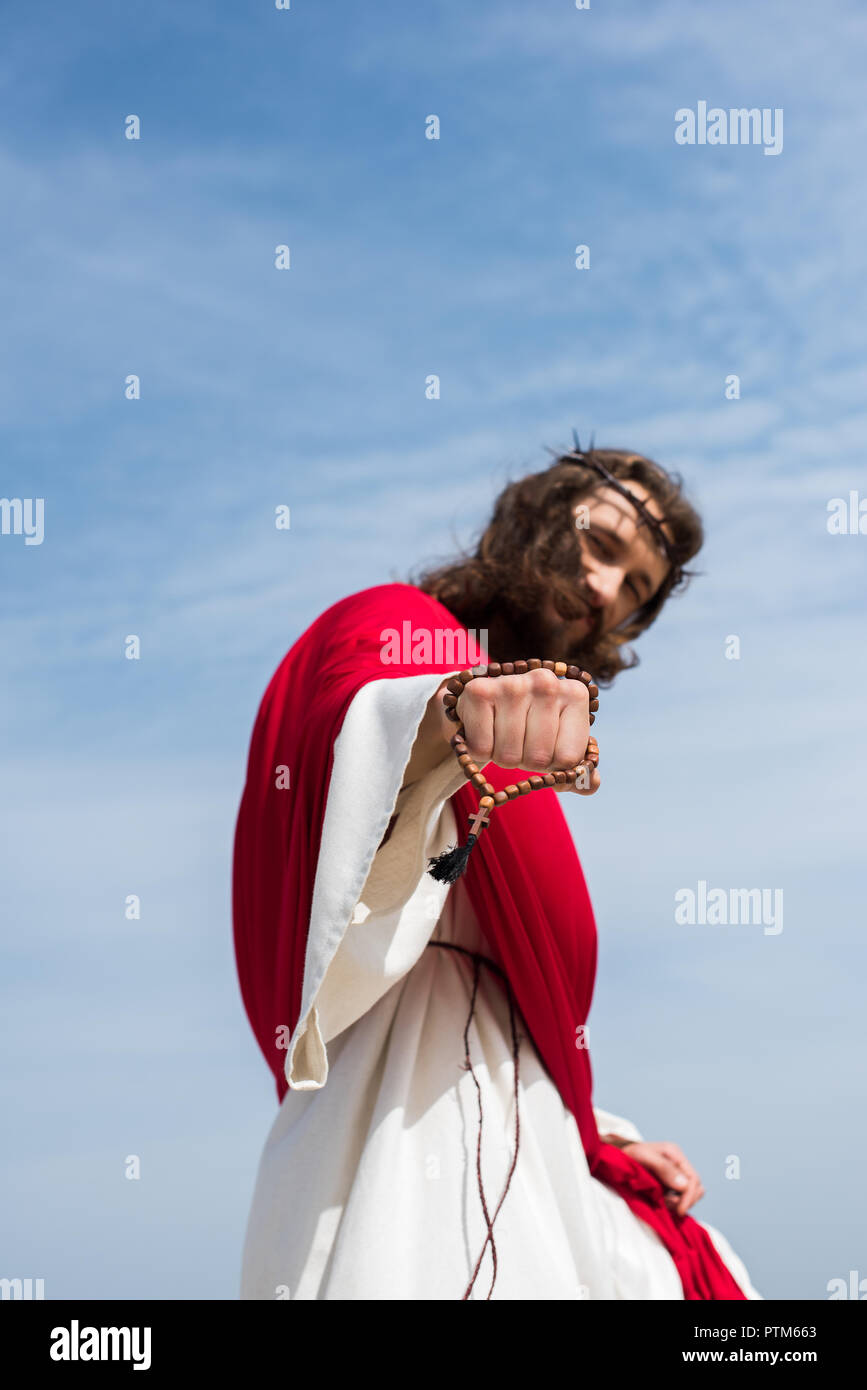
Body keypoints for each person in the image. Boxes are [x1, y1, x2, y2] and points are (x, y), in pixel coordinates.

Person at [232, 441, 763, 1300]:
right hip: (418, 1115)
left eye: (634, 590)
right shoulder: (400, 627)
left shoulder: (522, 734)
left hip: (514, 1120)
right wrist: (449, 716)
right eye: (602, 545)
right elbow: (354, 720)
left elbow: (521, 1004)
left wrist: (598, 1136)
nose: (603, 592)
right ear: (535, 516)